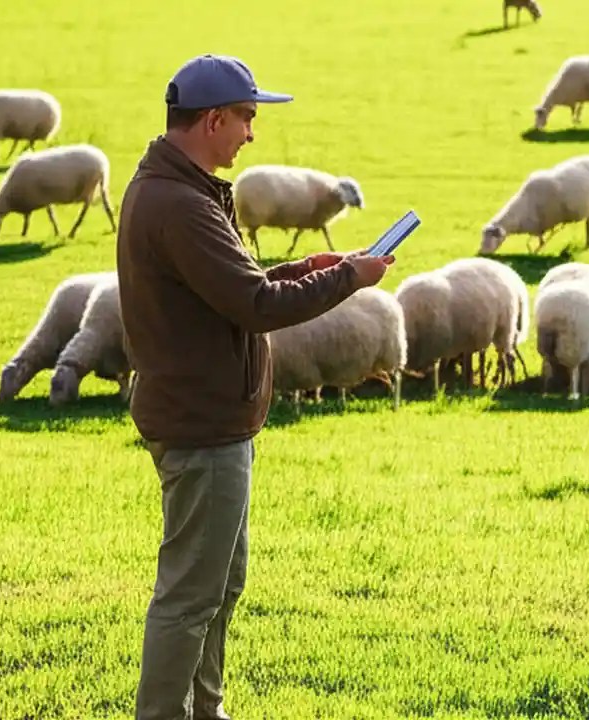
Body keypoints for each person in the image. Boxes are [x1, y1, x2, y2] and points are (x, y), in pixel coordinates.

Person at [116, 54, 394, 720]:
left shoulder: (180, 189)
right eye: (246, 118)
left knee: (219, 585)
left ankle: (204, 709)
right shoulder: (180, 204)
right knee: (189, 594)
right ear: (213, 119)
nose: (251, 134)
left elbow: (233, 287)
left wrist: (309, 266)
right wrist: (349, 281)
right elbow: (256, 307)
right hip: (201, 424)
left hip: (212, 418)